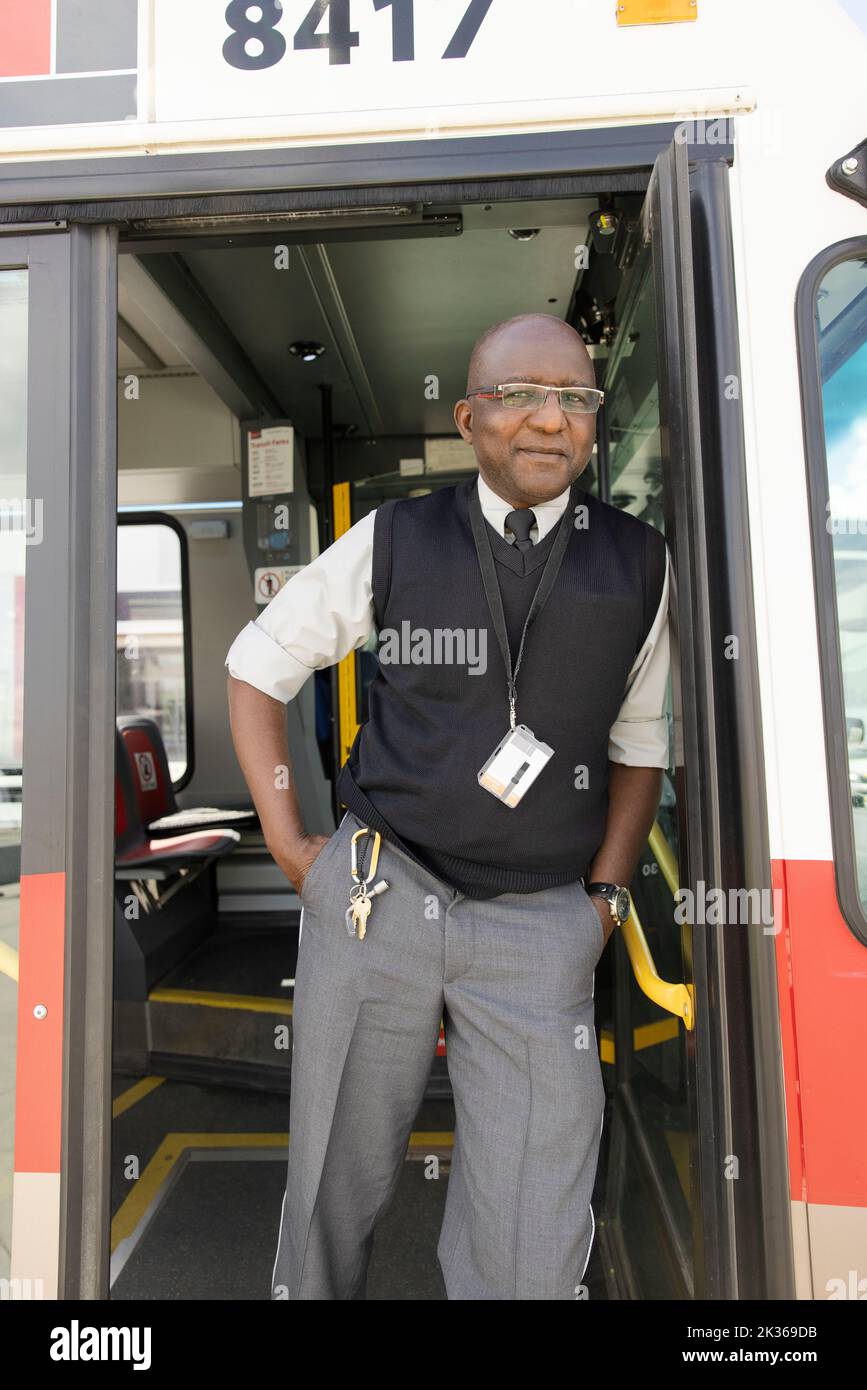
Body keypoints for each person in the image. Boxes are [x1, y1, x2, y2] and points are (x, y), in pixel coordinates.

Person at [226, 312, 672, 1301]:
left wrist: (602, 898)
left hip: (541, 917)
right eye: (520, 397)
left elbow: (643, 748)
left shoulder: (639, 562)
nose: (550, 420)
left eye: (576, 400)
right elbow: (258, 668)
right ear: (472, 419)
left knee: (532, 1217)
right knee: (333, 1178)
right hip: (379, 892)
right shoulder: (396, 537)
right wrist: (294, 843)